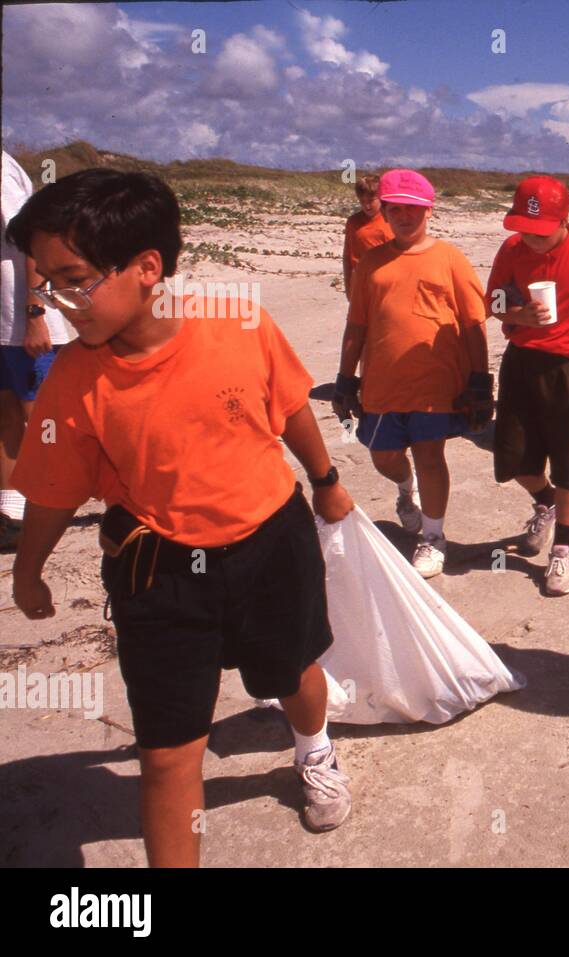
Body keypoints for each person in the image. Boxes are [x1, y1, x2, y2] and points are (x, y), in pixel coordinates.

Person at [7, 169, 356, 865]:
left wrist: (326, 479)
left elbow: (288, 405)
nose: (58, 302)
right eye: (45, 283)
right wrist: (28, 570)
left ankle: (313, 748)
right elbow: (53, 489)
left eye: (73, 279)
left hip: (271, 542)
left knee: (291, 673)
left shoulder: (240, 323)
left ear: (147, 267)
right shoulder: (74, 381)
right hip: (156, 569)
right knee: (167, 756)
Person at [334, 168, 491, 578]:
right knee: (383, 456)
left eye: (413, 210)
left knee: (430, 455)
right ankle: (406, 488)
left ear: (429, 211)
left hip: (435, 383)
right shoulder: (371, 263)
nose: (404, 217)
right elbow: (357, 326)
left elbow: (474, 325)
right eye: (395, 209)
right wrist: (345, 379)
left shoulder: (450, 259)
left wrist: (480, 381)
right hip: (383, 382)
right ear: (383, 211)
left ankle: (434, 538)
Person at [484, 176, 569, 595]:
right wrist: (516, 315)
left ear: (565, 220)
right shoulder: (511, 249)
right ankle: (544, 501)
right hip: (522, 362)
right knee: (514, 457)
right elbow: (491, 301)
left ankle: (562, 550)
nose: (530, 238)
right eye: (524, 229)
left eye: (540, 231)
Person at [1, 150, 72, 549]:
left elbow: (35, 243)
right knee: (7, 416)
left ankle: (123, 493)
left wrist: (35, 313)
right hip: (4, 324)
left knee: (48, 421)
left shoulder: (2, 173)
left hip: (20, 320)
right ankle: (11, 515)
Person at [341, 173, 394, 300]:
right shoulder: (353, 222)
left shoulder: (391, 221)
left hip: (386, 283)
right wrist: (348, 287)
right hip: (361, 282)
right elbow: (347, 257)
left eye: (371, 201)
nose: (367, 205)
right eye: (362, 201)